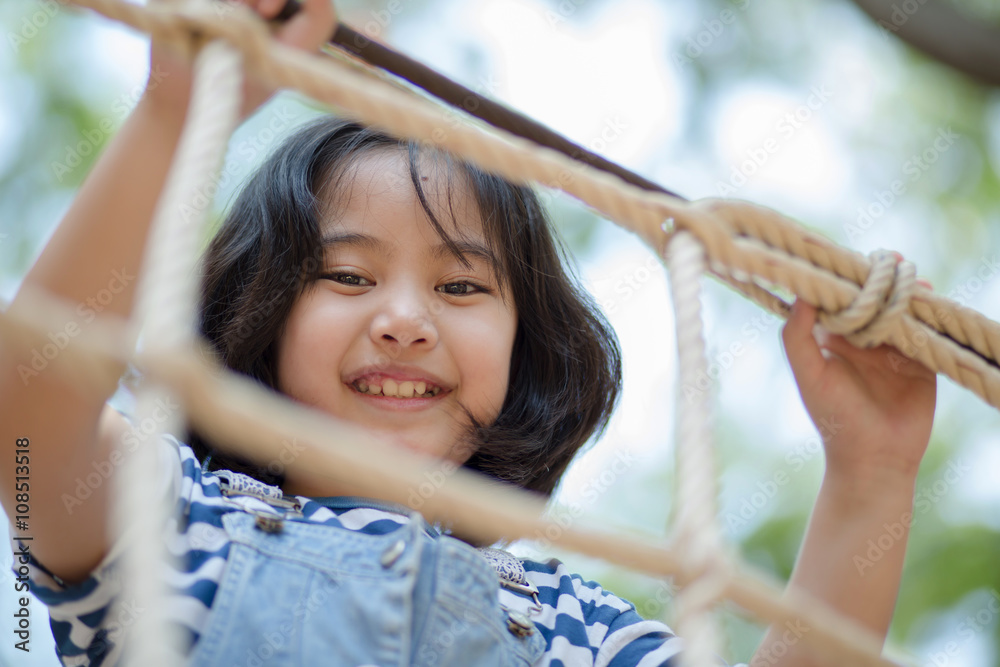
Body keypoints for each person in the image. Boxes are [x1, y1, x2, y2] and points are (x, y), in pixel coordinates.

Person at [0, 1, 937, 665]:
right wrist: (174, 110)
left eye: (458, 285)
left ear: (525, 353)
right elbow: (29, 418)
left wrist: (870, 474)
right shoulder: (182, 519)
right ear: (261, 316)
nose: (404, 321)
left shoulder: (573, 622)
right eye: (348, 275)